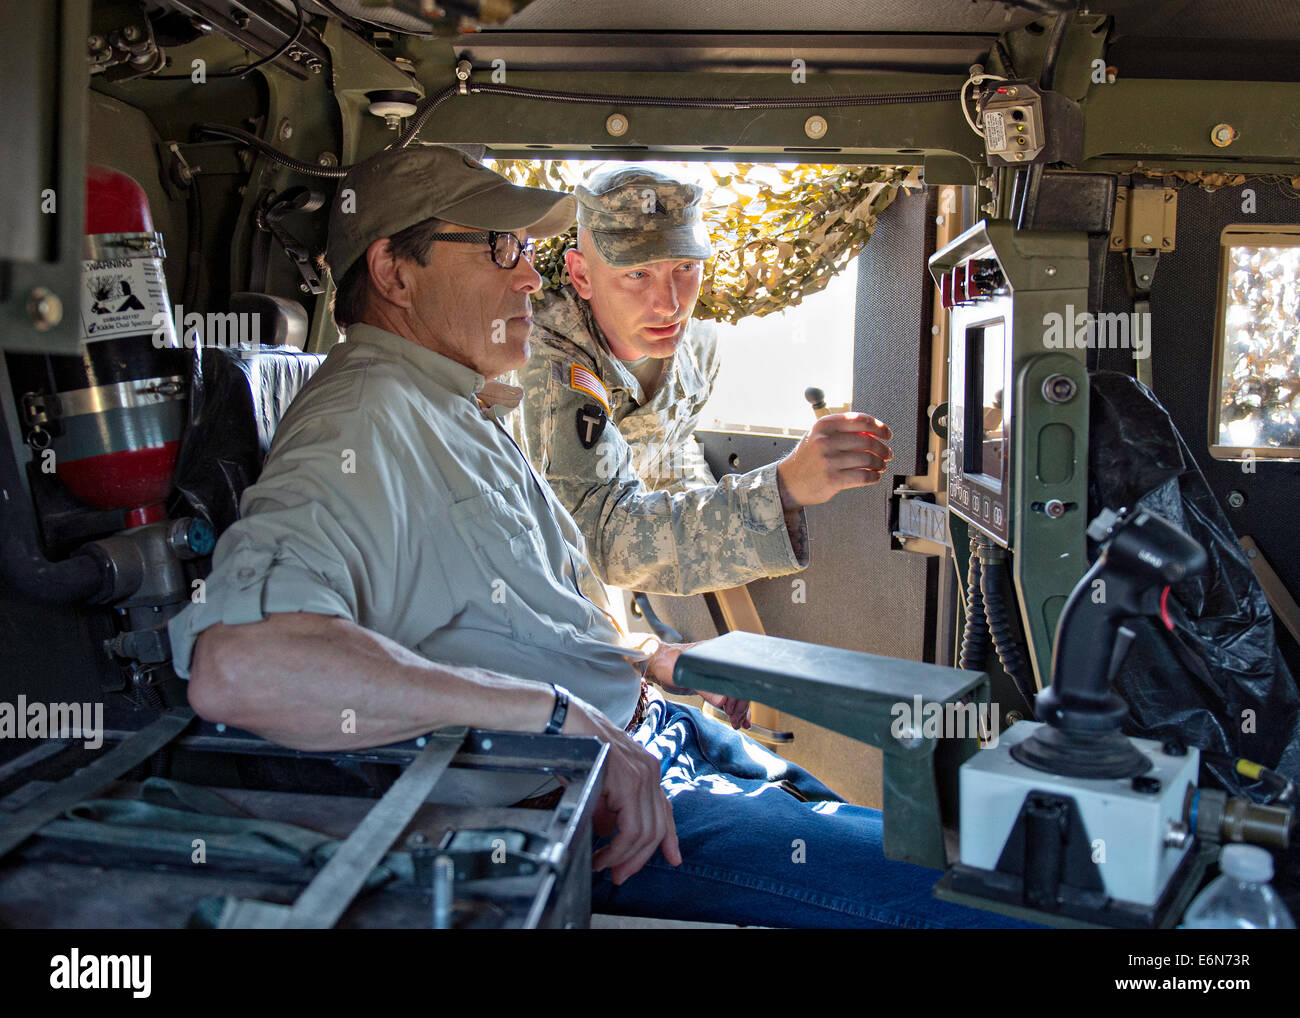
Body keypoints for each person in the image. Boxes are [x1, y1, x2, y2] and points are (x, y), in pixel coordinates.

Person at [167, 145, 1028, 929]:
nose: (530, 283)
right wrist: (562, 717)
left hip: (652, 733)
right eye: (501, 250)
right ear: (393, 268)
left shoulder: (455, 403)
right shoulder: (362, 423)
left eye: (528, 254)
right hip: (578, 804)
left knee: (950, 854)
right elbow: (239, 668)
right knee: (975, 902)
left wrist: (639, 660)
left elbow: (515, 613)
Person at [518, 164, 894, 596]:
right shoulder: (545, 354)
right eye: (637, 274)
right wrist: (783, 487)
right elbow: (598, 539)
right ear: (582, 275)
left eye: (684, 267)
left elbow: (668, 461)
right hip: (532, 581)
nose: (670, 304)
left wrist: (728, 521)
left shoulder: (697, 348)